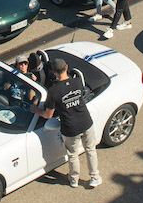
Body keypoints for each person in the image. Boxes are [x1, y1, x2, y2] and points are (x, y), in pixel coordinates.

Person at [32, 58, 100, 188]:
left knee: (73, 154)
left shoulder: (53, 91)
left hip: (70, 128)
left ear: (53, 72)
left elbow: (48, 115)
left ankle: (74, 180)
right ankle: (94, 177)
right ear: (66, 67)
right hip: (86, 122)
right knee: (90, 150)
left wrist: (36, 110)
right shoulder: (77, 81)